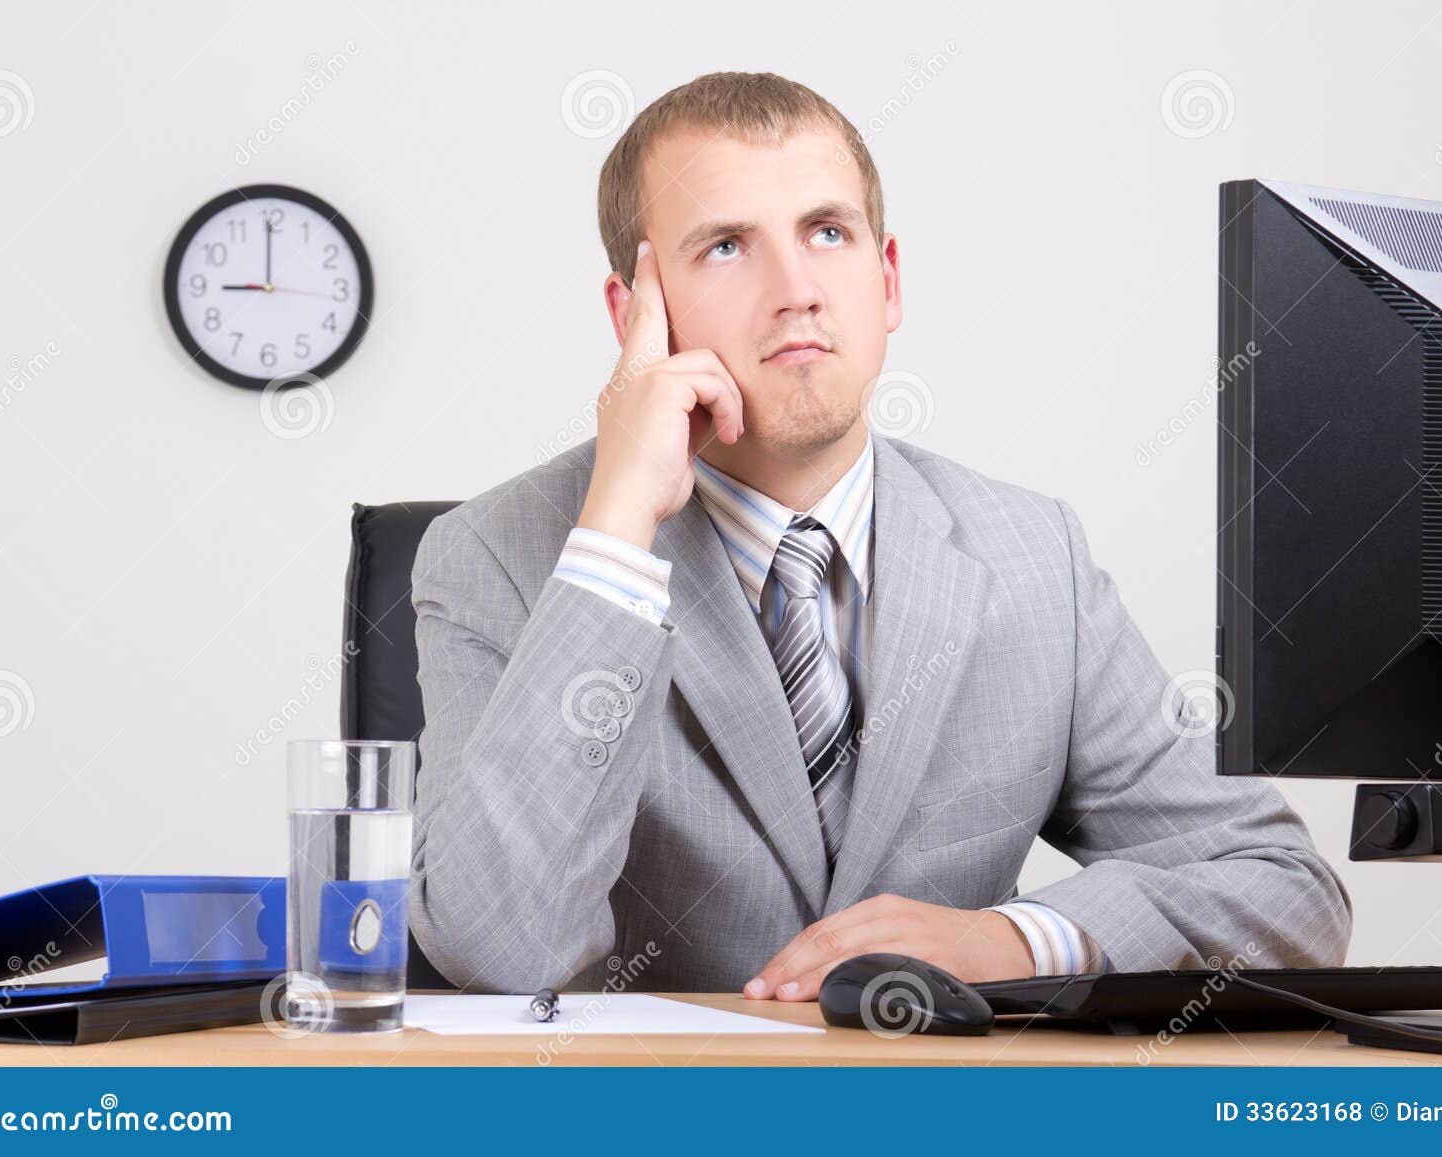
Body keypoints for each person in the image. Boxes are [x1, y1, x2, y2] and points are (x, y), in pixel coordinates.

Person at [407, 70, 1351, 999]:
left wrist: (1012, 941)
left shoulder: (1034, 557)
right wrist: (617, 534)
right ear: (634, 318)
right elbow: (501, 948)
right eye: (727, 246)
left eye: (828, 232)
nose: (797, 290)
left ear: (887, 279)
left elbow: (1284, 890)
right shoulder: (499, 554)